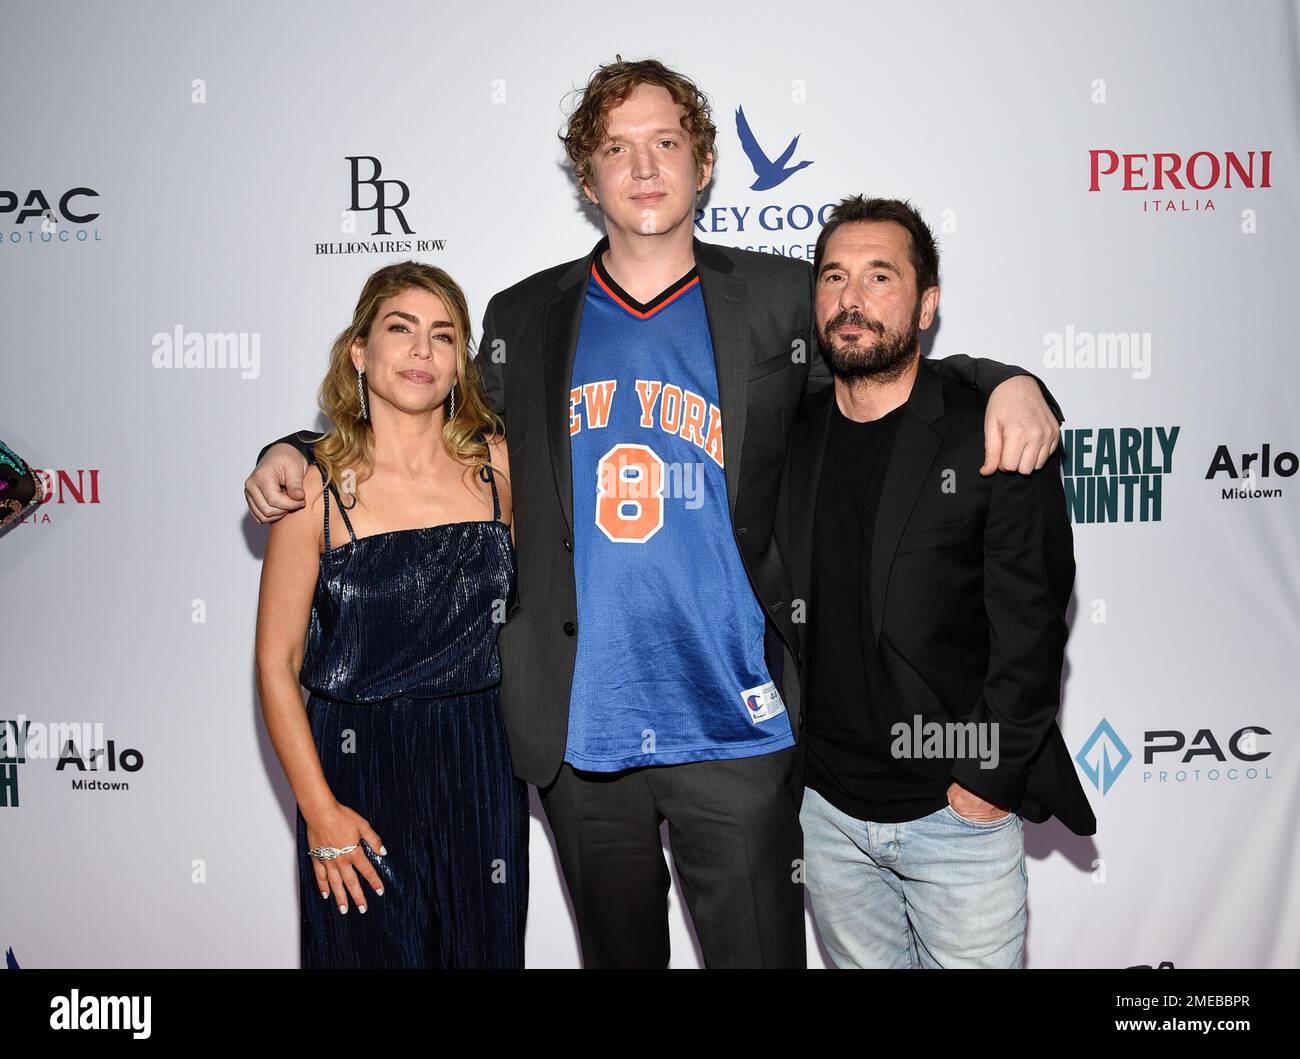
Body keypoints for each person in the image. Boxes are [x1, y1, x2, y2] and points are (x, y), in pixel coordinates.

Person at [245, 59, 1063, 969]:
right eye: (616, 148)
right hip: (581, 734)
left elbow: (888, 362)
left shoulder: (778, 299)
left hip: (740, 727)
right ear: (587, 176)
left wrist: (1011, 381)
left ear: (704, 164)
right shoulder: (526, 314)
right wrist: (292, 448)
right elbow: (423, 407)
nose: (643, 167)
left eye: (665, 143)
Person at [779, 196, 1097, 969]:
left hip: (952, 814)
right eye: (834, 277)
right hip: (825, 815)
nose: (851, 299)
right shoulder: (788, 429)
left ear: (926, 305)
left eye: (879, 276)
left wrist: (986, 779)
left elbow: (1033, 625)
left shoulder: (987, 427)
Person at [254, 261, 528, 968]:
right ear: (359, 350)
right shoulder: (315, 487)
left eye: (444, 336)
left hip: (481, 762)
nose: (422, 351)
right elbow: (277, 665)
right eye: (400, 329)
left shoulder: (501, 469)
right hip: (358, 765)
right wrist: (319, 811)